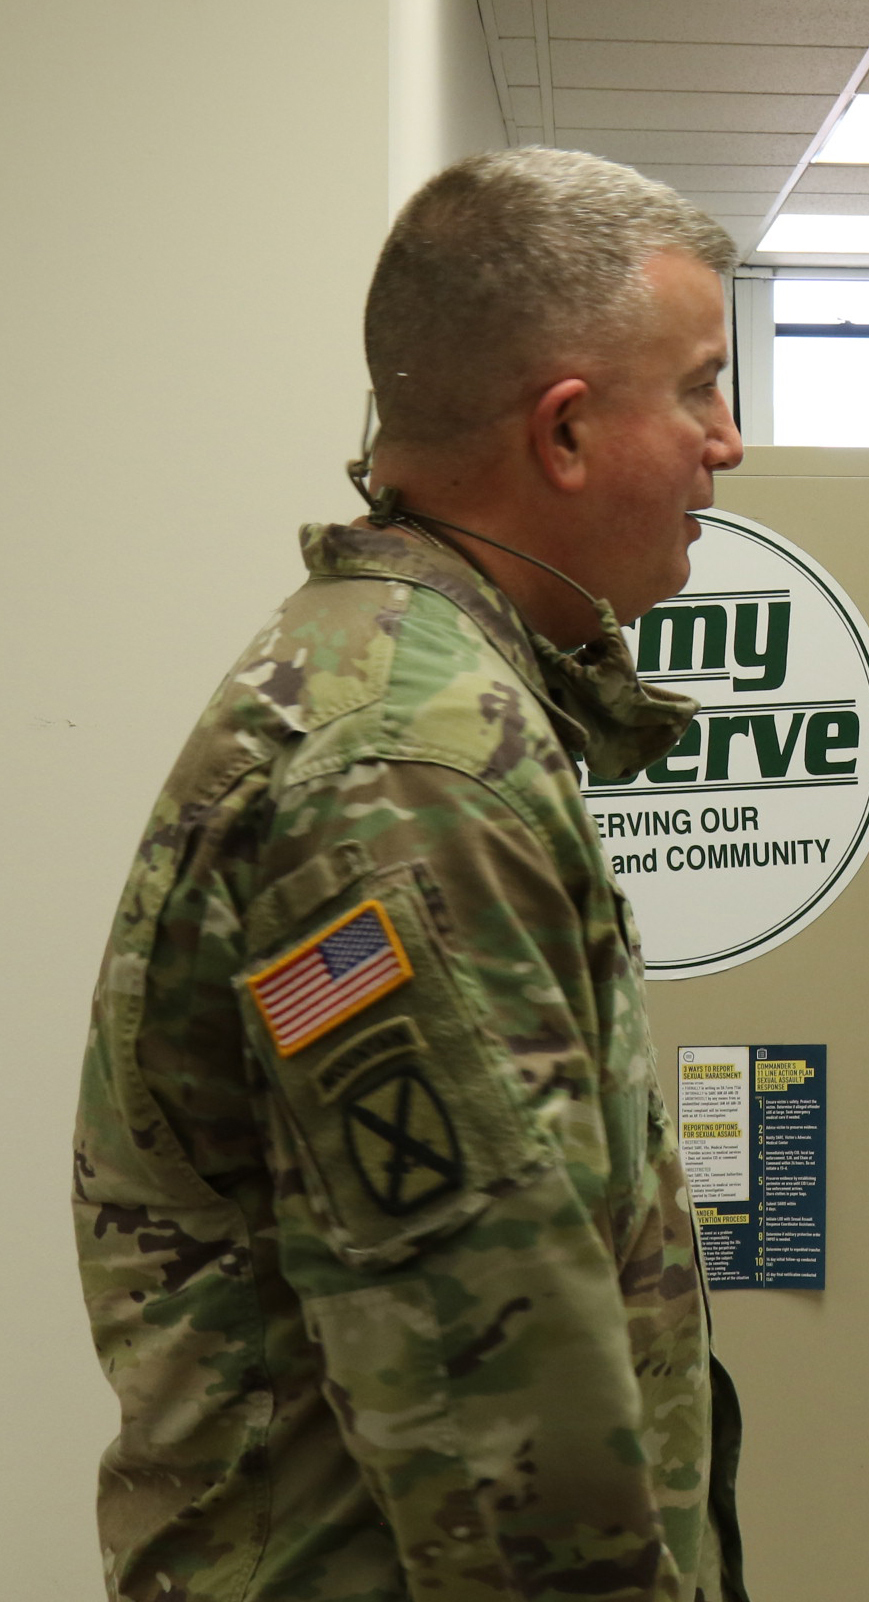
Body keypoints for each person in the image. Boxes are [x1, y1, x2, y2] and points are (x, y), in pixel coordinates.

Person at [72, 148, 749, 1601]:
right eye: (699, 386)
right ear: (564, 433)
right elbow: (497, 1393)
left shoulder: (422, 694)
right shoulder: (404, 769)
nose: (728, 441)